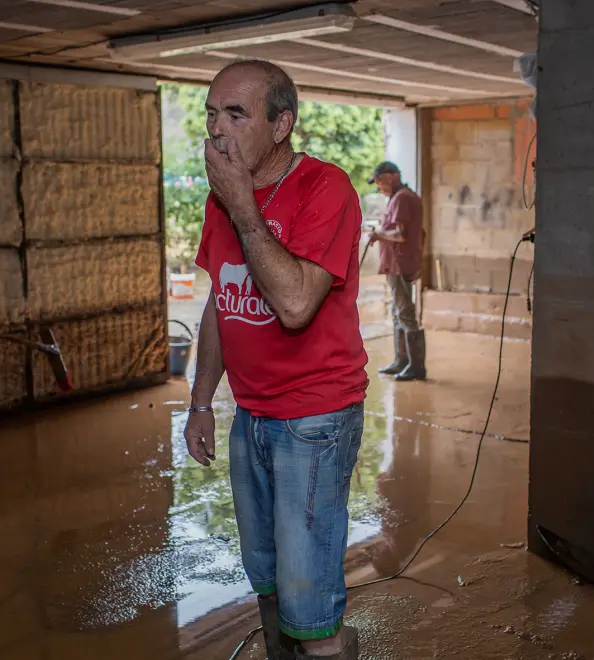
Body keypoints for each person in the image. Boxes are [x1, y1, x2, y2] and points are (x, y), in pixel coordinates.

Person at [184, 59, 368, 660]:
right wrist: (200, 402)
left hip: (315, 418)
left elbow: (293, 304)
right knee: (264, 572)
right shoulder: (222, 200)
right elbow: (221, 301)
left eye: (236, 115)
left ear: (281, 123)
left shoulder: (325, 189)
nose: (219, 131)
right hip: (252, 414)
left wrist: (243, 206)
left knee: (308, 594)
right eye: (212, 114)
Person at [367, 161, 426, 381]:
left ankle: (416, 366)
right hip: (396, 264)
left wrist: (379, 234)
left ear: (390, 177)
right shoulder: (399, 197)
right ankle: (402, 360)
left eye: (380, 182)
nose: (379, 187)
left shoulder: (402, 198)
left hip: (400, 264)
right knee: (397, 312)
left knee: (405, 313)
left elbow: (401, 235)